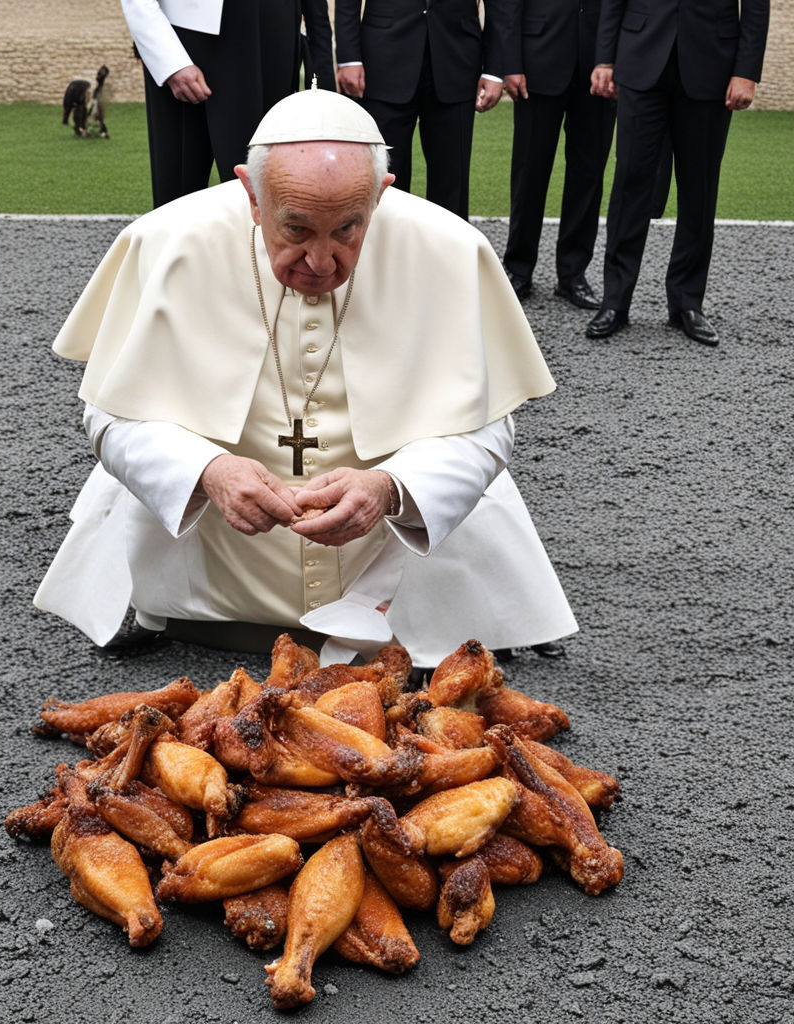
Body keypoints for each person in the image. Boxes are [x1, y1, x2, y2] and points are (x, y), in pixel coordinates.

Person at [34, 87, 577, 668]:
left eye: (349, 228)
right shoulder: (168, 244)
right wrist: (206, 471)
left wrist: (390, 487)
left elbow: (489, 430)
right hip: (212, 577)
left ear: (381, 194)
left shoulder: (449, 249)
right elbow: (110, 413)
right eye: (295, 230)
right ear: (250, 193)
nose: (321, 262)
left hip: (401, 582)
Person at [585, 0, 769, 346]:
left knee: (699, 188)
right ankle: (615, 301)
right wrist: (605, 58)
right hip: (640, 57)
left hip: (711, 62)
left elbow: (757, 6)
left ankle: (687, 303)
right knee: (629, 183)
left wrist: (746, 71)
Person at [122, 0, 334, 208]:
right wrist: (170, 61)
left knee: (266, 194)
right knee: (178, 200)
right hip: (188, 41)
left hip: (274, 34)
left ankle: (259, 244)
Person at [491, 0, 616, 309]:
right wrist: (510, 62)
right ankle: (518, 268)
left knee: (588, 174)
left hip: (599, 67)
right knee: (529, 170)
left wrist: (616, 60)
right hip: (537, 59)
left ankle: (573, 273)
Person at [332, 0, 501, 219]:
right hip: (383, 60)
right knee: (385, 179)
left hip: (457, 57)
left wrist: (495, 69)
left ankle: (448, 253)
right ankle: (384, 251)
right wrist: (348, 58)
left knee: (452, 183)